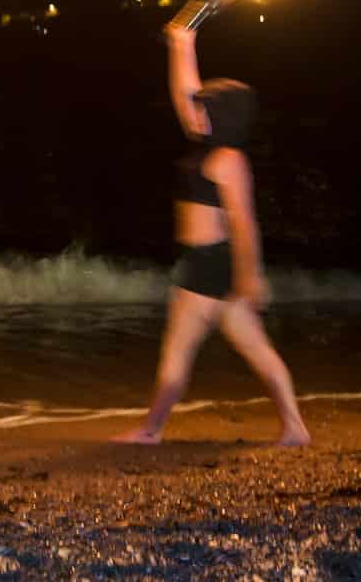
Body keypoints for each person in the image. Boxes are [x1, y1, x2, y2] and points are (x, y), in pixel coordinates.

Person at [114, 22, 310, 447]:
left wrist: (251, 277)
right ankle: (294, 427)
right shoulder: (208, 144)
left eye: (206, 108)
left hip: (207, 270)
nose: (196, 111)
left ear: (224, 116)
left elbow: (244, 223)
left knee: (177, 354)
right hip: (212, 269)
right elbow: (185, 96)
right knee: (257, 350)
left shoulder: (228, 159)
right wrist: (183, 44)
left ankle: (150, 430)